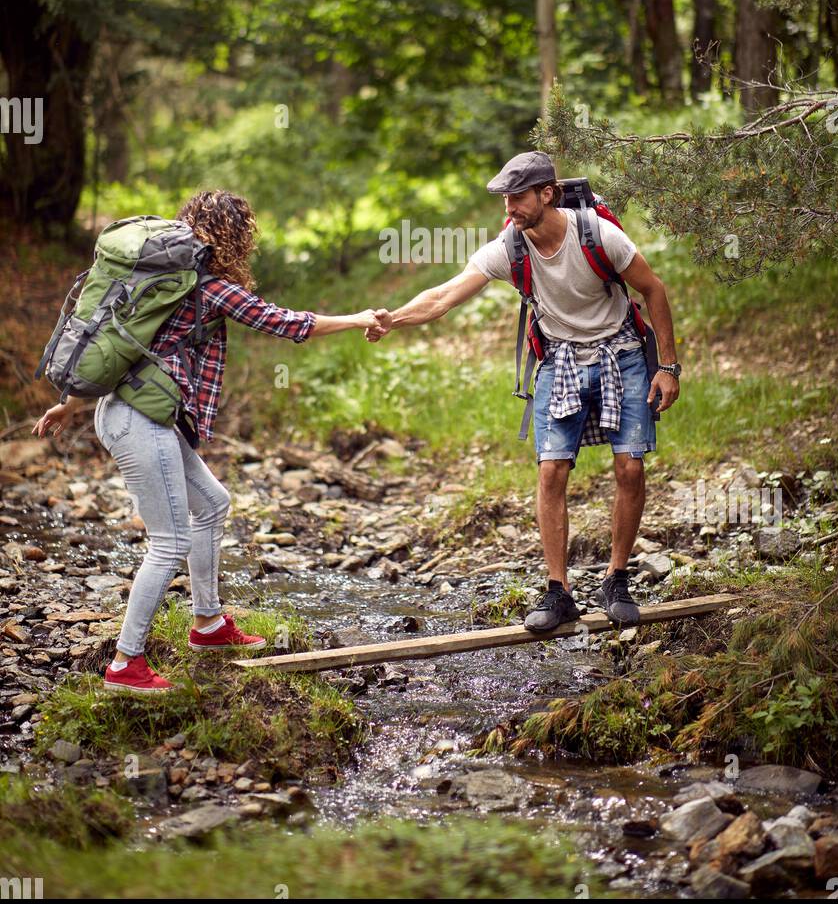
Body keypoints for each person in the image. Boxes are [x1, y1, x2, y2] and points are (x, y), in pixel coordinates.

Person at [32, 190, 385, 695]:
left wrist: (71, 399)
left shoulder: (167, 283)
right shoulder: (208, 286)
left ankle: (209, 624)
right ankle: (125, 663)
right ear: (236, 236)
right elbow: (284, 322)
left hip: (138, 414)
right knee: (169, 541)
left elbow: (117, 342)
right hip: (139, 420)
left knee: (213, 504)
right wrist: (357, 319)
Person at [365, 152, 681, 633]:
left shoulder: (598, 234)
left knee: (630, 466)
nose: (508, 207)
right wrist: (395, 318)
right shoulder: (509, 247)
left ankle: (617, 580)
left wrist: (669, 367)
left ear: (547, 194)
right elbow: (443, 297)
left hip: (622, 351)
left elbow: (653, 289)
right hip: (558, 357)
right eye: (505, 198)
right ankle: (559, 592)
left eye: (517, 197)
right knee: (551, 469)